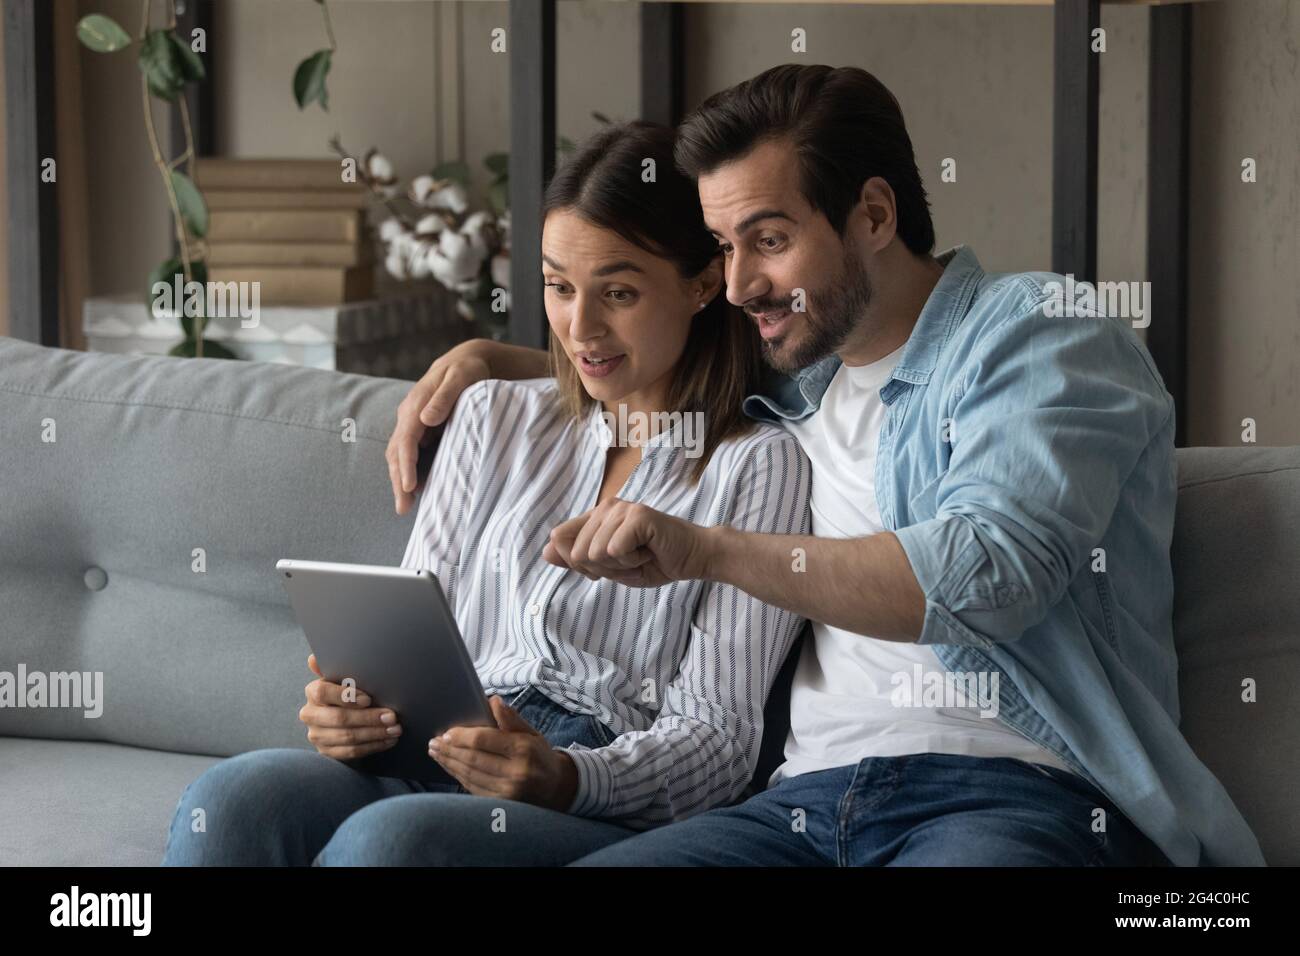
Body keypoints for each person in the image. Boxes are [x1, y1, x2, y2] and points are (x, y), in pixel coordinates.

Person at [388, 65, 1265, 867]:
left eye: (767, 240)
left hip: (1019, 795)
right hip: (799, 806)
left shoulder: (1043, 331)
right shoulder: (793, 375)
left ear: (874, 216)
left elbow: (989, 576)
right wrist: (485, 357)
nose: (737, 285)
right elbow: (639, 347)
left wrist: (707, 550)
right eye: (724, 248)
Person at [162, 120, 811, 867]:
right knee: (234, 801)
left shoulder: (758, 466)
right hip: (432, 741)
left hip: (587, 784)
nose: (580, 326)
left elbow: (721, 741)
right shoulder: (494, 412)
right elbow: (413, 622)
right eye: (558, 287)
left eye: (619, 292)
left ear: (702, 284)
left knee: (390, 843)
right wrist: (351, 710)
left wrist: (570, 776)